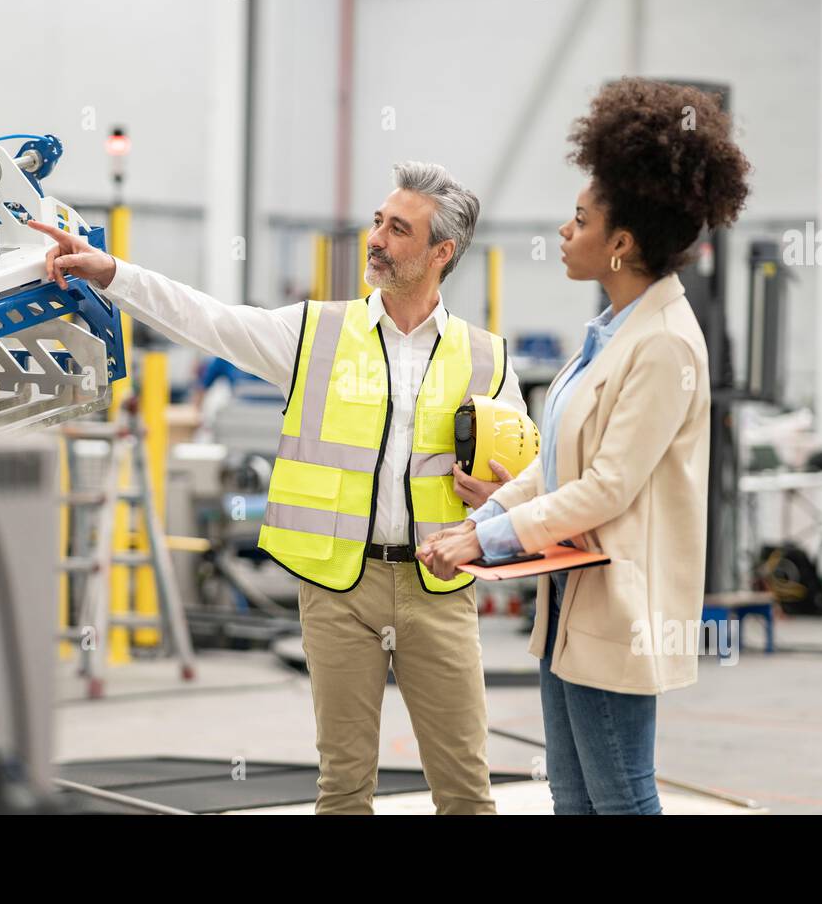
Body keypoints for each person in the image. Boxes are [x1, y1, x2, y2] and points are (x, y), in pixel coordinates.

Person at [28, 161, 525, 814]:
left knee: (465, 789)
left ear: (441, 253)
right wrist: (112, 272)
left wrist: (499, 500)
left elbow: (523, 475)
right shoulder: (316, 333)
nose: (376, 238)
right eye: (377, 221)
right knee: (343, 787)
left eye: (398, 229)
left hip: (439, 591)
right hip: (336, 588)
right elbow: (207, 320)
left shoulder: (485, 356)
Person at [418, 78, 751, 814]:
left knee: (620, 795)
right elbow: (558, 463)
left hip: (616, 607)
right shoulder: (611, 334)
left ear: (621, 244)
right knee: (573, 796)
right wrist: (490, 513)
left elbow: (607, 488)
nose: (564, 233)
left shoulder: (664, 344)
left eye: (579, 220)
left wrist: (486, 540)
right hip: (569, 600)